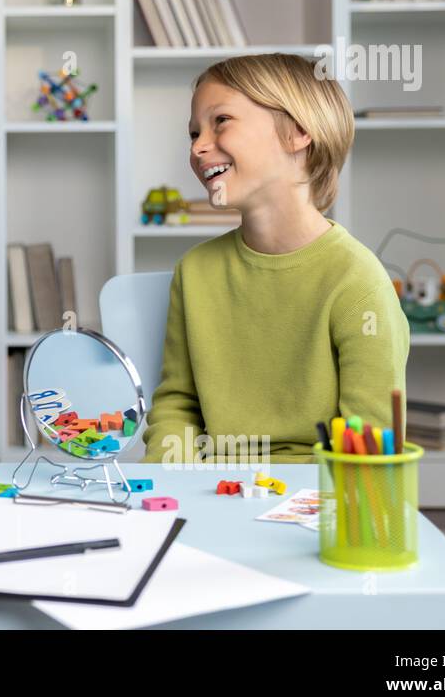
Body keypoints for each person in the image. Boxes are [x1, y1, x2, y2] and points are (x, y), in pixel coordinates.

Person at [140, 54, 408, 464]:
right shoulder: (195, 271)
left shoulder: (356, 280)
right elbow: (178, 404)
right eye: (194, 132)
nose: (198, 146)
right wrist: (169, 487)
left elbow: (370, 440)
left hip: (319, 495)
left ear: (299, 131)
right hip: (211, 491)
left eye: (221, 121)